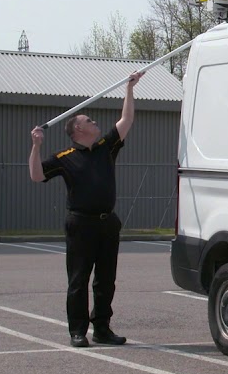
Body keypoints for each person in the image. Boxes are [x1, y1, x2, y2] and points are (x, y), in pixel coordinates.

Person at [29, 71, 144, 347]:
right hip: (81, 224)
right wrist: (36, 146)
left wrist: (129, 89)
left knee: (106, 280)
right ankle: (78, 331)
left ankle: (102, 328)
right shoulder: (65, 157)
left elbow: (126, 120)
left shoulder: (106, 147)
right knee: (79, 280)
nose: (94, 122)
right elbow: (36, 175)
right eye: (89, 120)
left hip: (107, 223)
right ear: (78, 130)